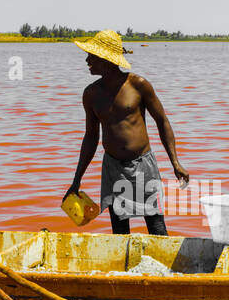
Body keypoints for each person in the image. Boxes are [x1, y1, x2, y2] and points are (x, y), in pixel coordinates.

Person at [64, 30, 189, 235]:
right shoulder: (91, 94)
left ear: (107, 59)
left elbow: (162, 122)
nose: (87, 60)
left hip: (143, 164)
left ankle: (164, 266)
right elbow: (91, 137)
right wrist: (76, 181)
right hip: (113, 167)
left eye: (92, 56)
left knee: (156, 226)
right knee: (120, 230)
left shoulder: (138, 85)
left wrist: (176, 163)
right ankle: (124, 267)